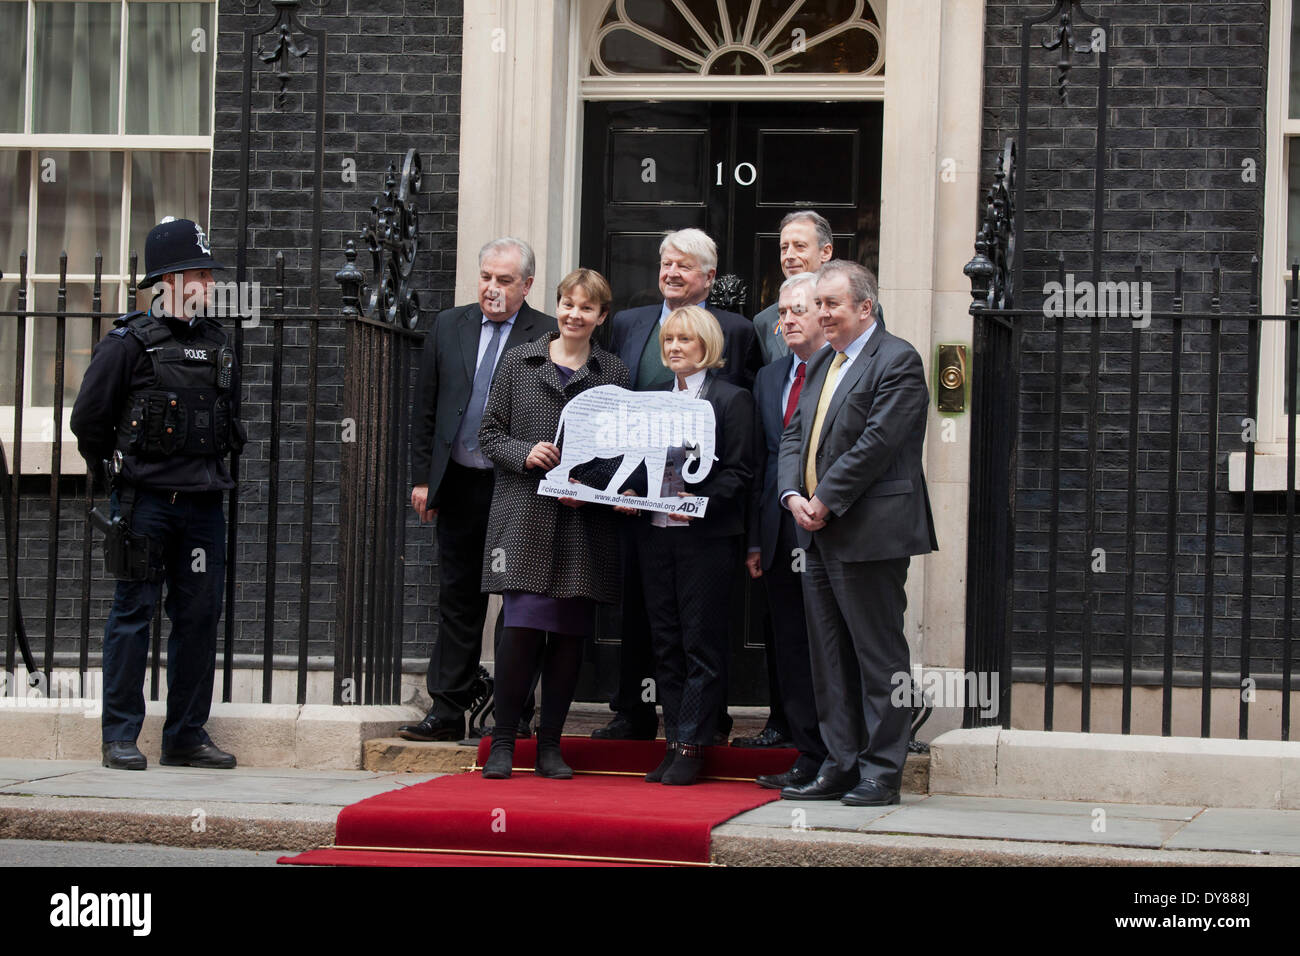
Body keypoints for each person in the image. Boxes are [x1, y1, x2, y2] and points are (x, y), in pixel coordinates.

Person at [70, 217, 244, 771]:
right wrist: (117, 473)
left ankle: (186, 735)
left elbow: (228, 418)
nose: (208, 284)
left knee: (199, 618)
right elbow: (88, 419)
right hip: (146, 504)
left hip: (202, 505)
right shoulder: (128, 343)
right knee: (133, 614)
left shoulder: (217, 343)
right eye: (199, 274)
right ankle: (120, 735)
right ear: (168, 281)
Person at [777, 261, 938, 807]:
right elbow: (794, 435)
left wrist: (825, 498)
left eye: (831, 305)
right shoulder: (824, 362)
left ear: (864, 307)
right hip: (815, 530)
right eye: (817, 304)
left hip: (869, 532)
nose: (821, 314)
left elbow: (877, 444)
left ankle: (882, 770)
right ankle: (840, 763)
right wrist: (792, 495)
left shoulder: (898, 360)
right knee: (828, 657)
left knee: (877, 657)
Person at [597, 228, 761, 742]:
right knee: (656, 627)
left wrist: (707, 503)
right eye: (665, 263)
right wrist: (619, 486)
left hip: (705, 525)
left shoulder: (735, 347)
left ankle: (700, 732)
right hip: (644, 513)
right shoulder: (627, 324)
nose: (670, 272)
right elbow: (614, 411)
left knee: (701, 635)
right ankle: (644, 717)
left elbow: (742, 454)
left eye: (683, 265)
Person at [477, 269, 630, 779]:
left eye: (586, 308)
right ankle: (504, 742)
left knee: (568, 636)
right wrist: (526, 453)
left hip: (584, 523)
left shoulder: (614, 373)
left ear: (600, 317)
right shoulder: (518, 361)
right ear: (557, 305)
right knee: (520, 629)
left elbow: (622, 452)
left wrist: (589, 484)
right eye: (567, 304)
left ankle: (550, 745)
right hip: (525, 514)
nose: (573, 315)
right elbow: (489, 435)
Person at [401, 238, 550, 742]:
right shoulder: (449, 325)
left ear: (526, 285)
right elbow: (425, 408)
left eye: (504, 280)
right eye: (486, 276)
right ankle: (447, 711)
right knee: (457, 599)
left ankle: (511, 714)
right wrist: (424, 478)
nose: (492, 288)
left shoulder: (546, 333)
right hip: (460, 484)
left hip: (517, 488)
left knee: (519, 603)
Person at [616, 306, 757, 785]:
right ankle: (674, 741)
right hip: (654, 536)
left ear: (707, 347)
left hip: (706, 541)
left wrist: (699, 503)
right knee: (666, 645)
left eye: (686, 340)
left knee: (702, 643)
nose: (675, 347)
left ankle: (695, 746)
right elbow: (638, 462)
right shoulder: (650, 399)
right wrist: (633, 492)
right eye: (669, 339)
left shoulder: (732, 399)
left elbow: (740, 473)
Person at [745, 272, 829, 789]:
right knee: (793, 648)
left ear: (824, 311)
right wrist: (755, 537)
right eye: (782, 312)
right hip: (778, 532)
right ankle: (808, 754)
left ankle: (846, 750)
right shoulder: (769, 377)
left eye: (798, 309)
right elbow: (760, 460)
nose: (787, 319)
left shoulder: (843, 371)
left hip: (831, 529)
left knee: (832, 647)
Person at [751, 211, 835, 365]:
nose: (789, 255)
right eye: (784, 248)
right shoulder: (764, 321)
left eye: (800, 246)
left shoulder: (853, 310)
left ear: (825, 252)